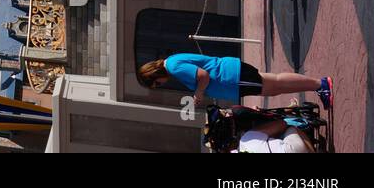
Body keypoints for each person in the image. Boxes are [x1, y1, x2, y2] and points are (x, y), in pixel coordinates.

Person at [138, 53, 332, 110]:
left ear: (154, 75)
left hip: (231, 79)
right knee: (274, 87)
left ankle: (319, 84)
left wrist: (198, 93)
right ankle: (318, 85)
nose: (162, 84)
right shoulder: (172, 61)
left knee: (276, 83)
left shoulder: (173, 67)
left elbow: (203, 75)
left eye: (157, 83)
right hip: (232, 77)